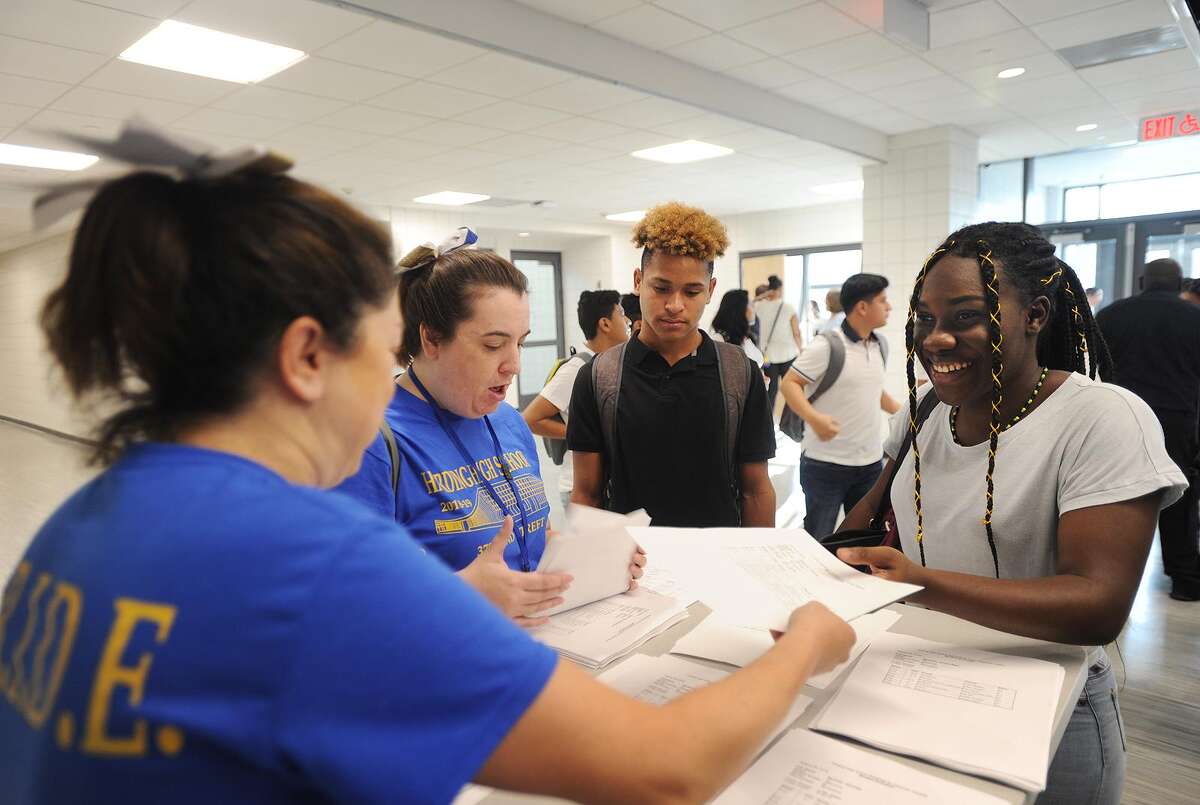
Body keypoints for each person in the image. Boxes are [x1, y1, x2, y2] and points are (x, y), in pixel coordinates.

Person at [0, 149, 857, 804]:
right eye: (382, 353)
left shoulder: (83, 516)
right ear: (307, 356)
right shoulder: (312, 560)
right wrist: (810, 642)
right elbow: (668, 767)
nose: (390, 382)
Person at [835, 223, 1187, 805]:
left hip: (1049, 707)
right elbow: (864, 521)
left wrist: (917, 583)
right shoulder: (925, 411)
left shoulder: (1102, 419)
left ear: (1036, 314)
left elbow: (1097, 608)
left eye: (966, 316)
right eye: (925, 319)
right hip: (922, 677)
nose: (937, 339)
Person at [336, 240, 626, 625]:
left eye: (520, 343)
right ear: (431, 338)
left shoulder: (508, 423)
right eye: (493, 345)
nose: (514, 366)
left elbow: (533, 537)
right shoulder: (369, 440)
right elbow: (345, 605)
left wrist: (597, 559)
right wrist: (458, 594)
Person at [569, 202, 777, 527]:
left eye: (691, 291)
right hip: (631, 563)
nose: (674, 305)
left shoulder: (738, 373)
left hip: (720, 559)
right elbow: (587, 493)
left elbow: (756, 489)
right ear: (638, 282)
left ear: (710, 291)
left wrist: (761, 566)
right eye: (661, 288)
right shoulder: (599, 376)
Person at [1096, 257, 1200, 601]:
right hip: (1176, 417)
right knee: (1179, 498)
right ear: (1179, 283)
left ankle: (1101, 577)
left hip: (1120, 417)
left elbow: (1093, 366)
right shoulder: (1194, 317)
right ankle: (1184, 579)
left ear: (1142, 281)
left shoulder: (1111, 315)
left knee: (1112, 496)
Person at [780, 274, 901, 538]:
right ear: (862, 307)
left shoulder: (880, 344)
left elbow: (872, 389)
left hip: (870, 464)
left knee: (862, 538)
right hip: (826, 464)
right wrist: (814, 419)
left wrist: (905, 412)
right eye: (883, 301)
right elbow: (790, 383)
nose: (889, 307)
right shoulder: (828, 345)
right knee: (819, 537)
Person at [522, 290, 628, 508]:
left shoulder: (609, 364)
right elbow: (530, 418)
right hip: (578, 488)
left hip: (606, 486)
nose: (627, 320)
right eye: (621, 312)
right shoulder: (577, 369)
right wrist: (583, 436)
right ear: (605, 324)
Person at [753, 274, 803, 411]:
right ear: (780, 289)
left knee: (771, 391)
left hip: (768, 356)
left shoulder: (758, 306)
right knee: (792, 389)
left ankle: (769, 423)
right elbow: (796, 332)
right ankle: (790, 424)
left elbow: (748, 305)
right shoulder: (788, 307)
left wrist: (762, 296)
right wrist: (801, 349)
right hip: (789, 354)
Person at [710, 288, 765, 366]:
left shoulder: (745, 337)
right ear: (740, 309)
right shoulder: (718, 341)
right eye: (751, 305)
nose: (754, 309)